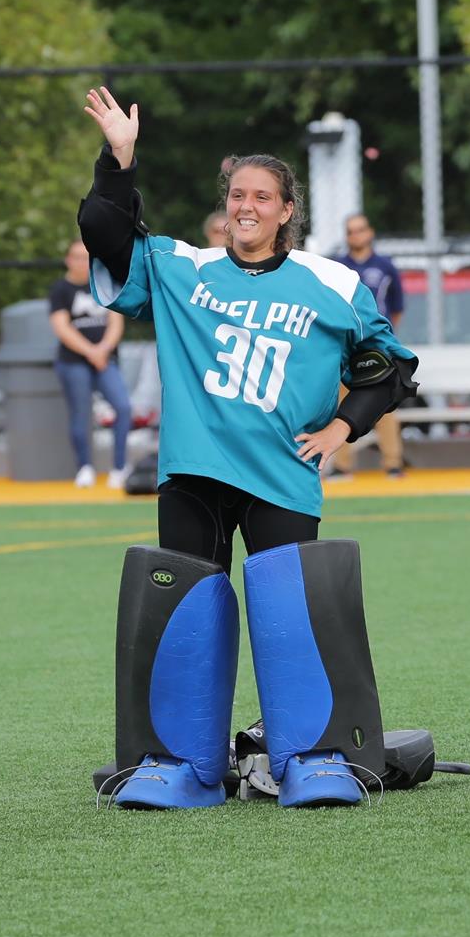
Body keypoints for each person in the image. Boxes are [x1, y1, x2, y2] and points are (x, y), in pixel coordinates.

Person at [77, 86, 419, 809]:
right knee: (188, 614)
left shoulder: (333, 283)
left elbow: (390, 368)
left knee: (291, 616)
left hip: (281, 477)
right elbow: (106, 231)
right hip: (195, 473)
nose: (247, 206)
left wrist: (341, 427)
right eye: (238, 194)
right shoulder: (181, 268)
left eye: (263, 196)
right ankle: (185, 763)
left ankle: (306, 754)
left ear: (287, 210)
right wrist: (119, 158)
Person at [48, 237, 132, 489]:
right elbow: (62, 328)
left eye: (86, 257)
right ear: (68, 260)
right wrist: (90, 352)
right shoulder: (60, 290)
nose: (82, 262)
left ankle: (119, 468)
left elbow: (116, 321)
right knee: (81, 412)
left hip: (105, 361)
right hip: (73, 361)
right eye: (76, 257)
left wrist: (103, 350)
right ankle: (85, 468)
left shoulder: (105, 284)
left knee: (123, 407)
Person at [329, 213, 408, 479]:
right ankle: (342, 466)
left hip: (378, 346)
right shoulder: (338, 266)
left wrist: (384, 334)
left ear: (370, 232)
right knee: (339, 403)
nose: (356, 235)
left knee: (385, 403)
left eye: (360, 230)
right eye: (351, 231)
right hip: (345, 346)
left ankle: (393, 463)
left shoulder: (385, 266)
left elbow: (396, 307)